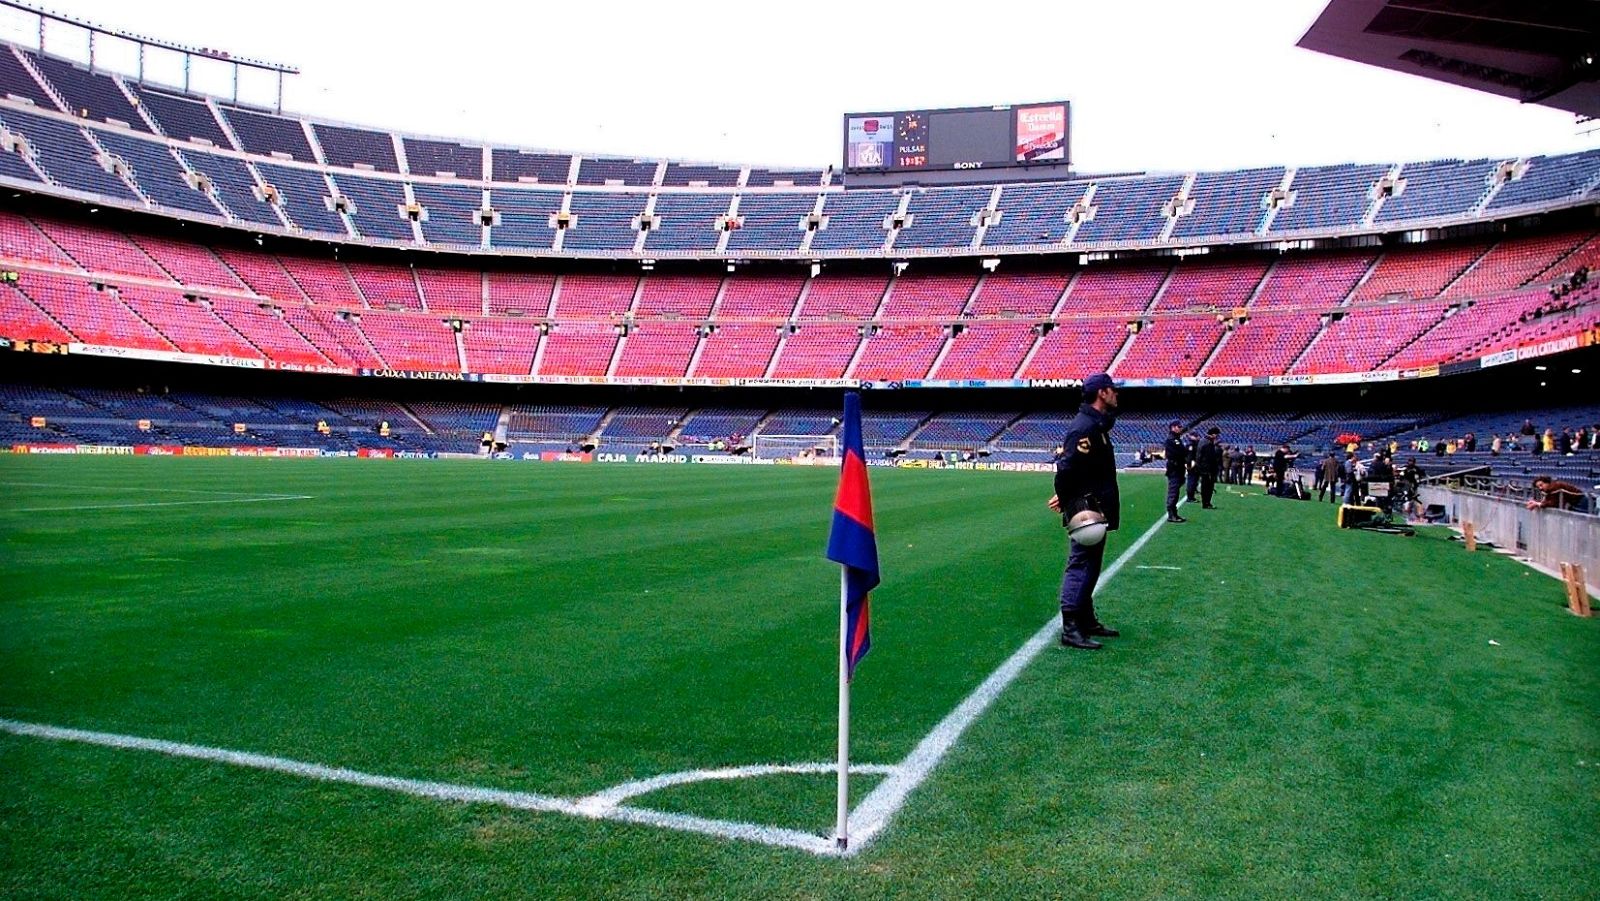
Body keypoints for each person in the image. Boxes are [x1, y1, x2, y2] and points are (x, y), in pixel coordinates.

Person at [1047, 373, 1122, 650]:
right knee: (1081, 564)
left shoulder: (1097, 425)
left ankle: (1086, 619)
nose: (1117, 393)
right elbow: (1067, 468)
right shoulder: (1085, 428)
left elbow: (1084, 468)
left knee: (1091, 563)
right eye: (1113, 389)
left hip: (1095, 503)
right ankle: (1070, 627)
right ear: (1102, 393)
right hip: (1086, 508)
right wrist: (1067, 500)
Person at [1162, 420, 1188, 523]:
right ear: (1173, 427)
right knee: (1173, 492)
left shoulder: (1177, 439)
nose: (1180, 428)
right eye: (1178, 426)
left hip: (1179, 468)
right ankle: (1171, 514)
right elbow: (1180, 452)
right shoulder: (1171, 439)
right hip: (1175, 468)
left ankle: (1174, 513)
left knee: (1175, 492)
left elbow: (1183, 452)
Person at [1197, 427, 1222, 508]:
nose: (1217, 437)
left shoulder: (1202, 441)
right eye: (1217, 435)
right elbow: (1209, 458)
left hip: (1203, 468)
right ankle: (1206, 503)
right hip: (1208, 469)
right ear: (1213, 434)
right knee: (1208, 487)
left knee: (1205, 486)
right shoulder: (1208, 443)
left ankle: (1206, 503)